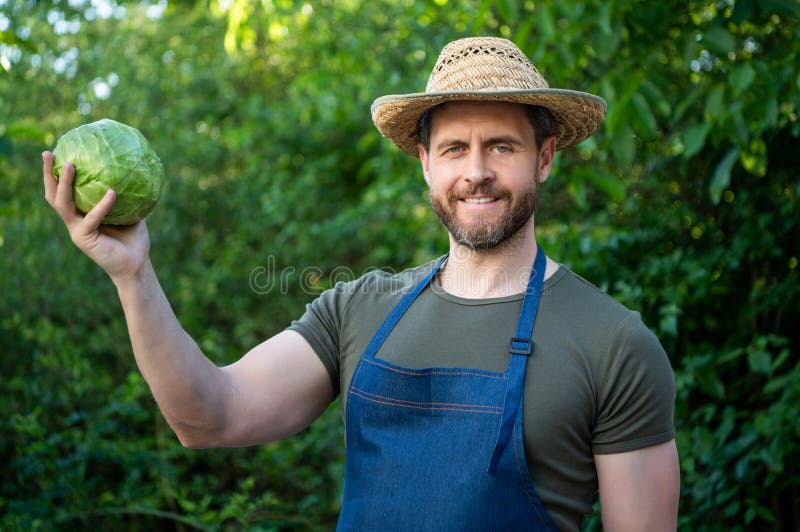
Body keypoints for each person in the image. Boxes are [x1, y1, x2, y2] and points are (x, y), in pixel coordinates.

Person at [43, 36, 679, 531]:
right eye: (455, 148)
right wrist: (133, 274)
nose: (476, 171)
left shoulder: (613, 344)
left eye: (502, 147)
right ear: (424, 163)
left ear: (544, 157)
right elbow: (208, 417)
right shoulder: (358, 309)